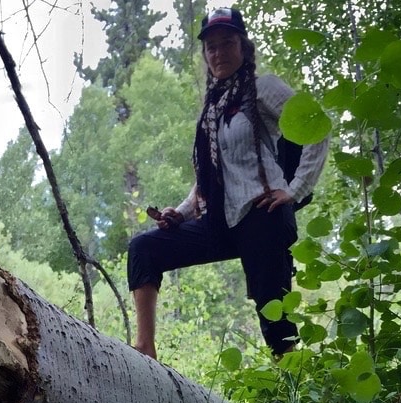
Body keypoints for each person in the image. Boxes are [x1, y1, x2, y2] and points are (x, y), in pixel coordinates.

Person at [127, 6, 328, 360]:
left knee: (273, 312)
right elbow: (211, 176)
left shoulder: (262, 88)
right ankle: (145, 351)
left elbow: (316, 126)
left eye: (227, 43)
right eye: (211, 47)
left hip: (263, 212)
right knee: (144, 248)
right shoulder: (213, 106)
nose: (218, 52)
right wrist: (183, 212)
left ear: (242, 46)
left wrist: (294, 191)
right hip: (222, 221)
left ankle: (298, 393)